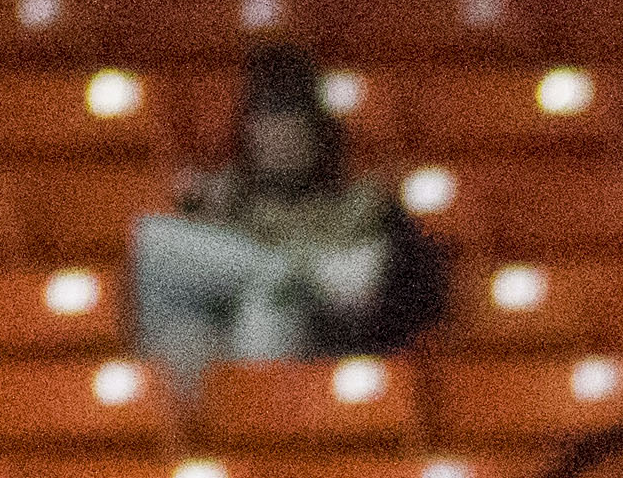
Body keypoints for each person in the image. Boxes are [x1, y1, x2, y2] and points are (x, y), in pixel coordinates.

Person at [131, 47, 438, 369]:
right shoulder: (214, 203)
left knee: (275, 298)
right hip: (220, 363)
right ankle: (287, 275)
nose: (280, 140)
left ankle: (261, 397)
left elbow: (404, 317)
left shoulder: (367, 208)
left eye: (293, 125)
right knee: (154, 241)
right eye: (267, 125)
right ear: (248, 132)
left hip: (319, 367)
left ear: (319, 134)